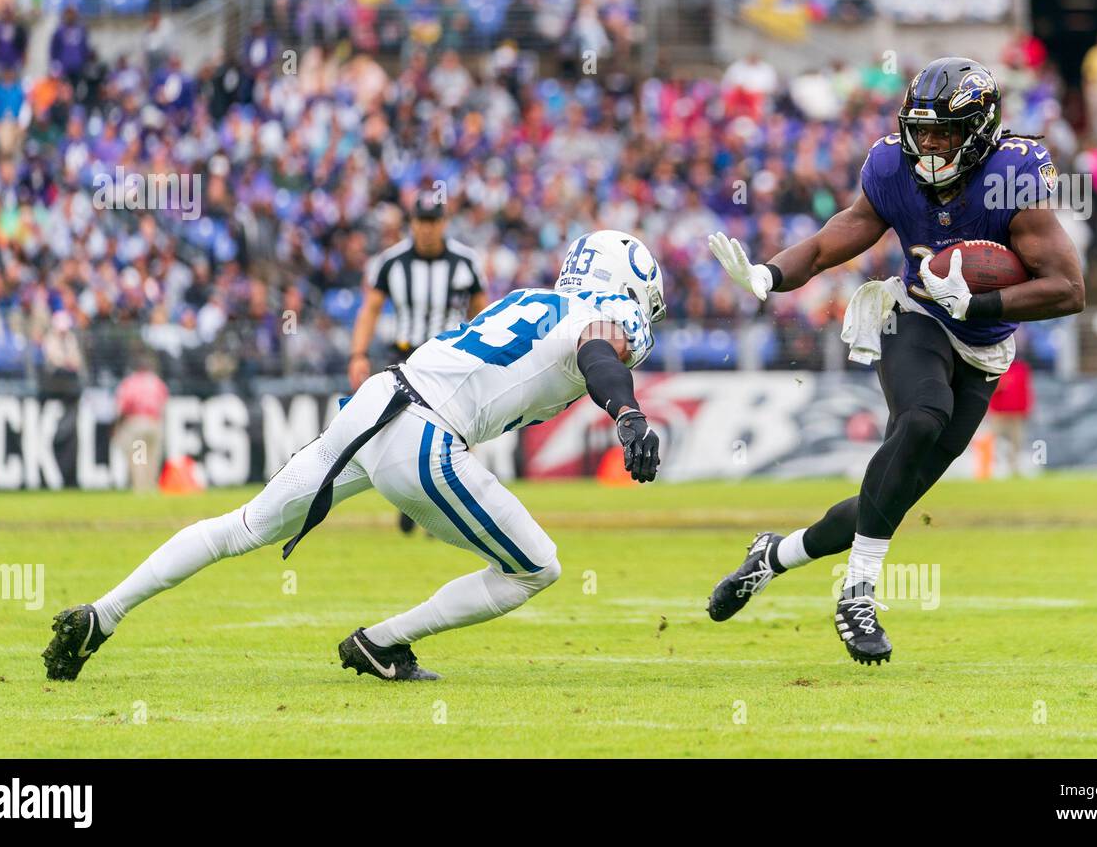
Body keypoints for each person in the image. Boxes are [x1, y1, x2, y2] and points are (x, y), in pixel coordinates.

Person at [43, 231, 666, 683]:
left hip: (374, 402)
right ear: (627, 282)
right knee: (537, 567)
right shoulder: (602, 316)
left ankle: (104, 613)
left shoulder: (533, 298)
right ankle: (384, 643)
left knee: (241, 527)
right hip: (424, 434)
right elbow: (598, 351)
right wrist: (628, 413)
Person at [706, 57, 1085, 665]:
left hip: (985, 343)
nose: (930, 145)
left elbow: (1069, 288)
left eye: (946, 132)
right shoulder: (890, 165)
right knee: (922, 416)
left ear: (981, 132)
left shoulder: (1015, 175)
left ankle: (772, 556)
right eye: (922, 130)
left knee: (886, 498)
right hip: (915, 314)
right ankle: (857, 594)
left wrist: (982, 300)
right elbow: (843, 232)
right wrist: (770, 274)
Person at [348, 197, 487, 533]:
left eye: (433, 221)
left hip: (451, 359)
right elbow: (370, 309)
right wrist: (358, 354)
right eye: (421, 221)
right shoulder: (391, 262)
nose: (427, 229)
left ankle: (438, 506)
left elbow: (481, 311)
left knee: (456, 433)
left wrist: (484, 356)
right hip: (406, 357)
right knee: (400, 434)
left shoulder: (466, 262)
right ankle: (412, 501)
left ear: (444, 223)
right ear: (412, 223)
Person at [113, 353, 169, 492]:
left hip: (137, 423)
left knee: (139, 459)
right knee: (152, 459)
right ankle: (151, 487)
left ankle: (140, 490)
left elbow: (122, 407)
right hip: (154, 423)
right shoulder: (157, 382)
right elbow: (164, 404)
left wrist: (117, 426)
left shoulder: (130, 382)